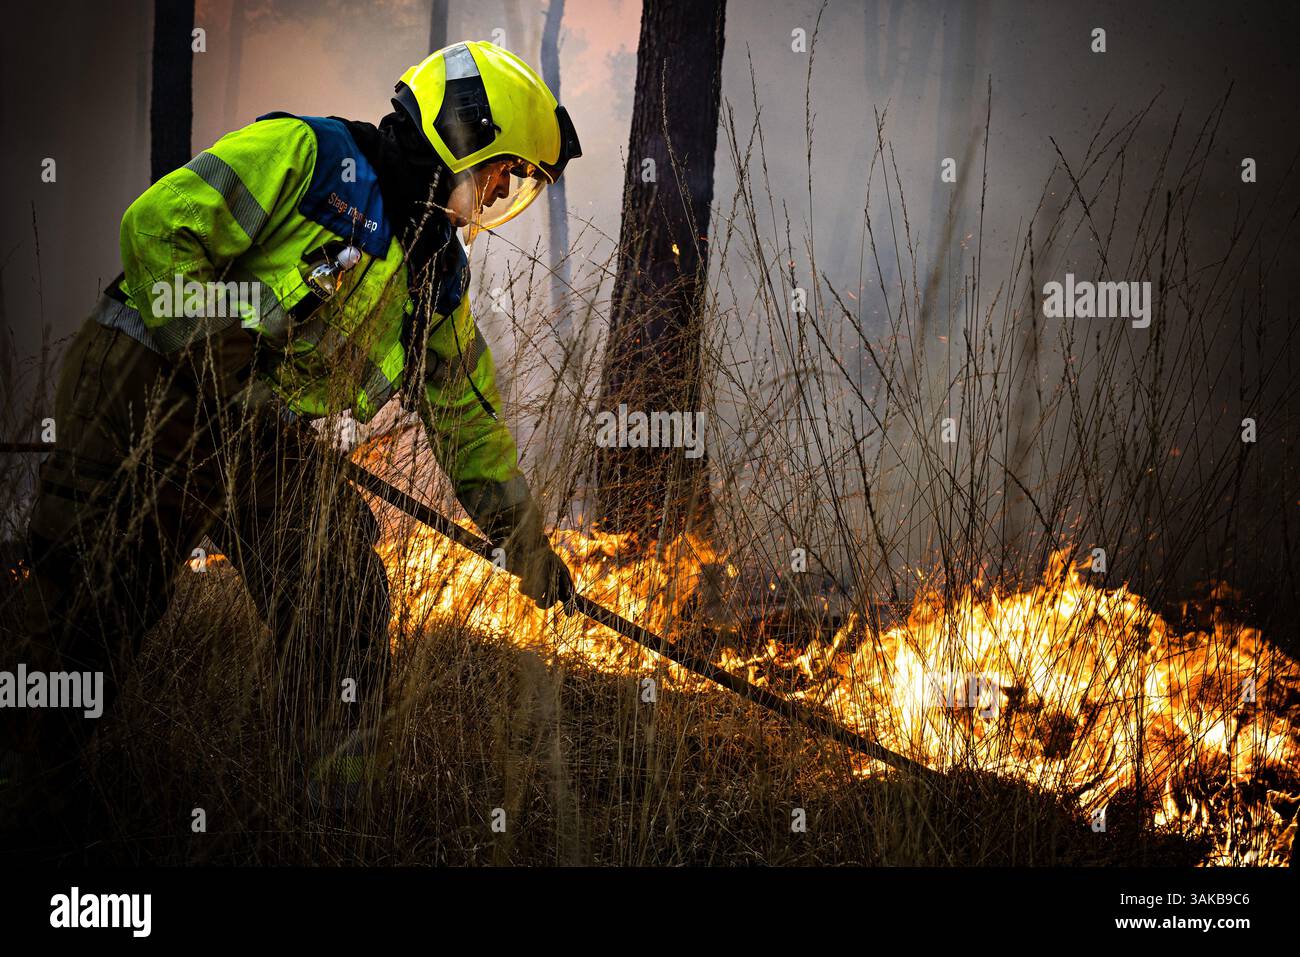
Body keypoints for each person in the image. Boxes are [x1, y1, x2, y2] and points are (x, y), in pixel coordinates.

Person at [1, 40, 581, 816]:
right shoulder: (310, 158)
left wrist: (525, 542)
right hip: (148, 378)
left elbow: (466, 415)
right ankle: (26, 794)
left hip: (254, 426)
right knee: (95, 599)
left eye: (516, 182)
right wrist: (215, 358)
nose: (502, 190)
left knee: (338, 584)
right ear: (462, 131)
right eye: (503, 169)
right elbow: (156, 227)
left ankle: (324, 808)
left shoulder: (435, 271)